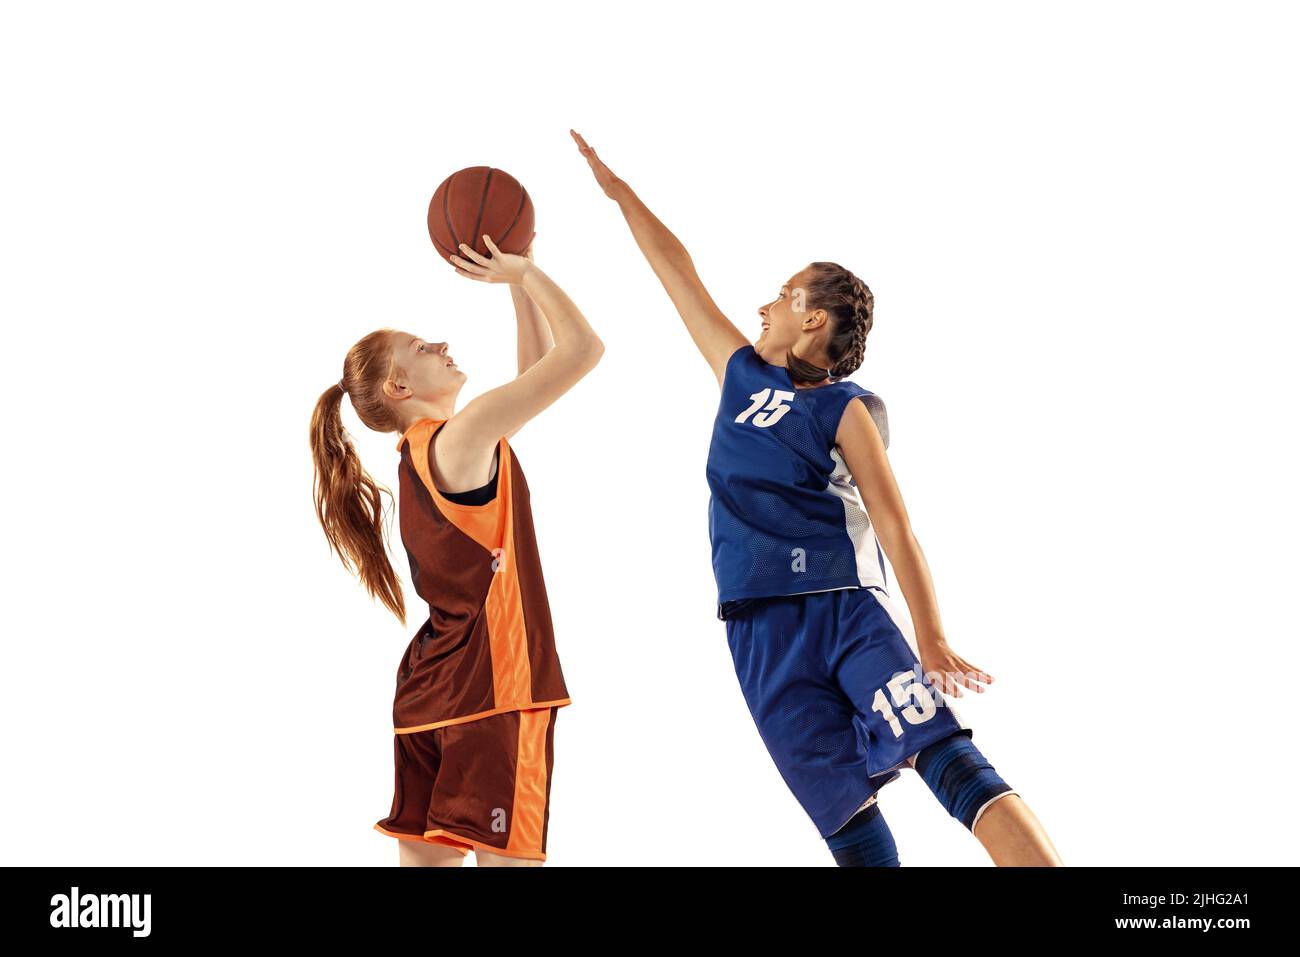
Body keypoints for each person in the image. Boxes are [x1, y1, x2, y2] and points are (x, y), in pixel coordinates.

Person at [571, 130, 1061, 866]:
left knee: (949, 759)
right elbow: (679, 272)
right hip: (757, 630)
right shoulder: (739, 372)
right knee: (845, 818)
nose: (763, 304)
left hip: (843, 610)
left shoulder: (845, 408)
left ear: (812, 320)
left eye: (782, 293)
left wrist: (928, 636)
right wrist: (619, 193)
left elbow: (896, 527)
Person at [309, 236, 603, 866]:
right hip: (495, 691)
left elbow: (533, 377)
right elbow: (584, 352)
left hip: (428, 694)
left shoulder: (431, 450)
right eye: (421, 348)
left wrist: (517, 290)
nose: (440, 345)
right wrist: (528, 270)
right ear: (397, 384)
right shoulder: (463, 437)